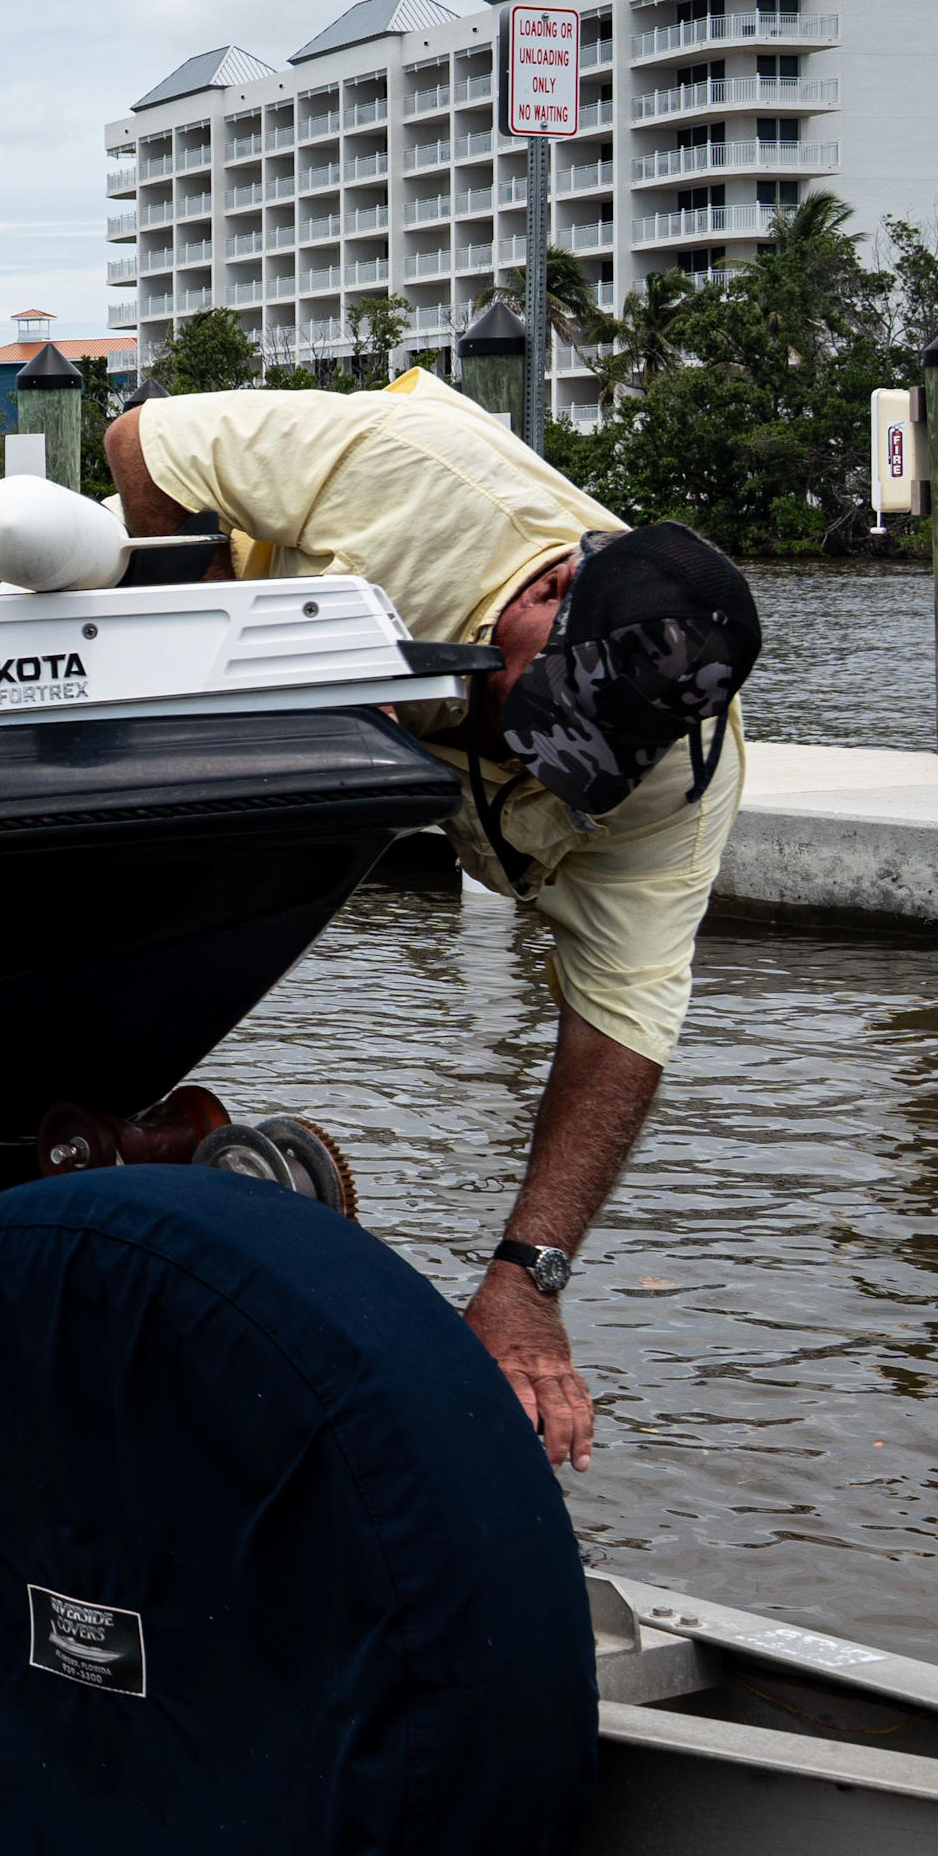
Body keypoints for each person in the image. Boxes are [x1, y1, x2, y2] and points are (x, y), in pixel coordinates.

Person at [103, 370, 758, 1469]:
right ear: (553, 584)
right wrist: (235, 664)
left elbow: (624, 1018)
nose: (524, 754)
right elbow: (140, 443)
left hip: (398, 762)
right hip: (266, 696)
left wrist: (528, 1277)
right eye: (532, 716)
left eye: (572, 760)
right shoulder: (411, 469)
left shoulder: (680, 775)